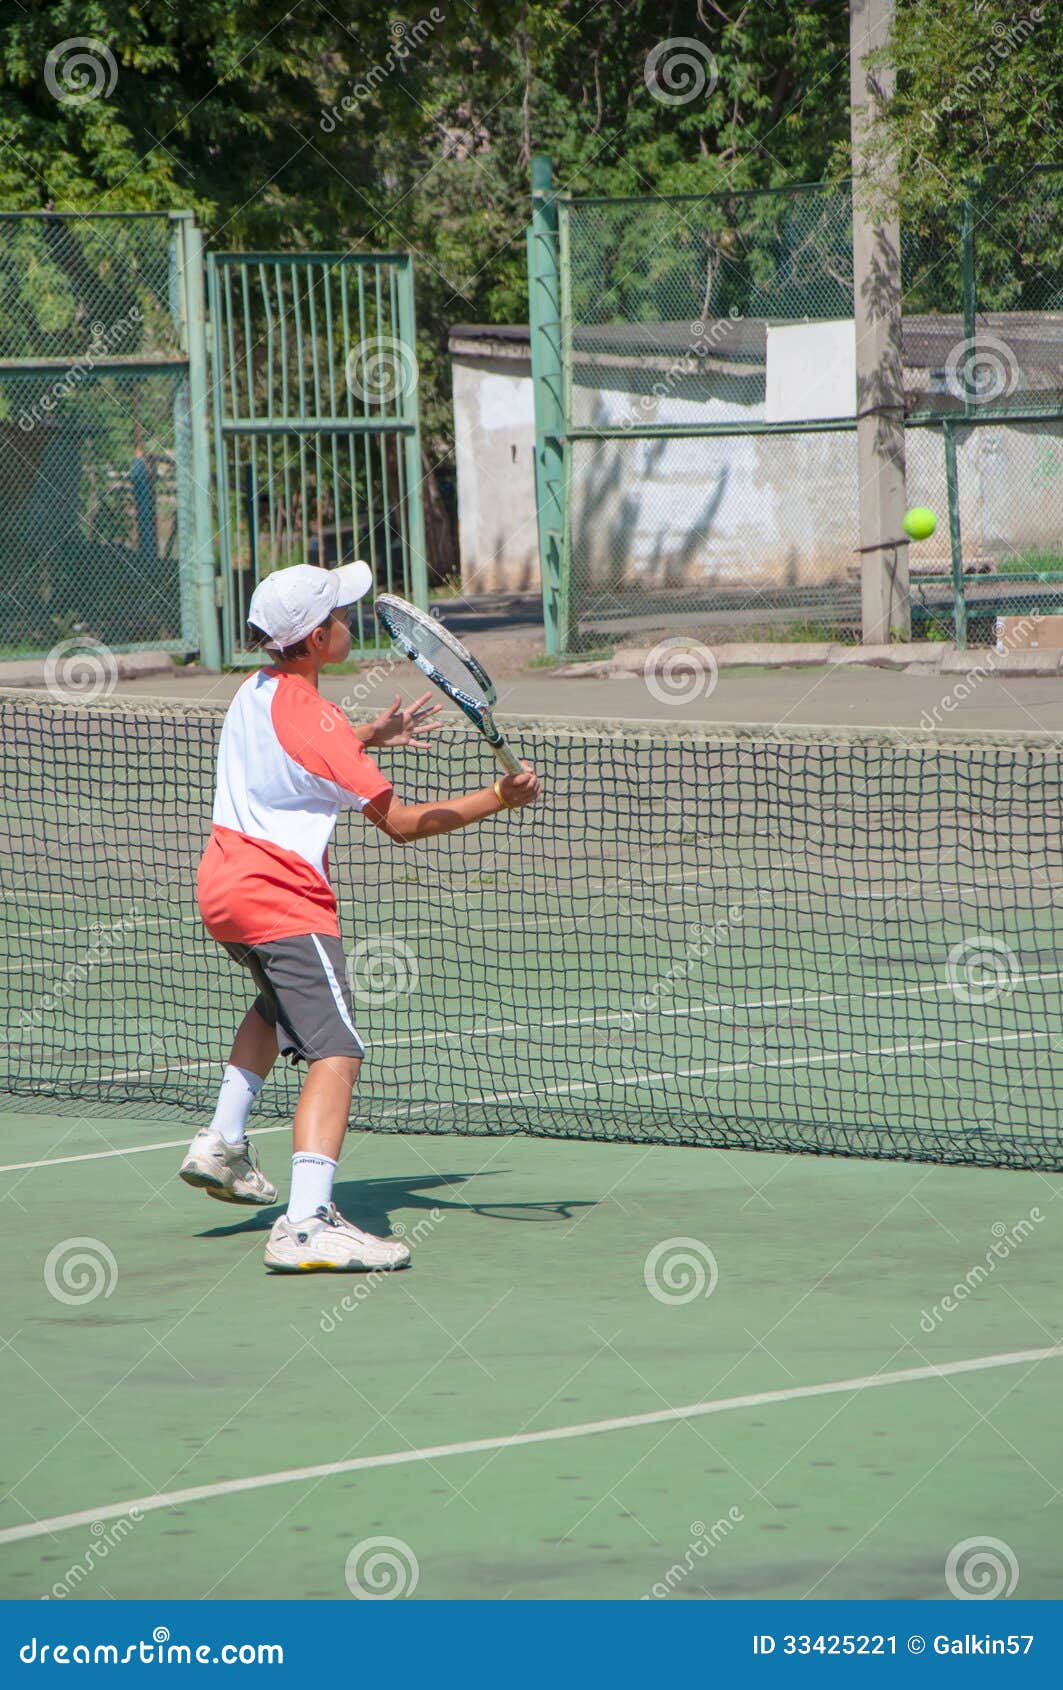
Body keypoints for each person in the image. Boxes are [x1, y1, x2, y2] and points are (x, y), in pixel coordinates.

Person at [178, 562, 540, 1273]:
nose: (349, 621)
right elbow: (401, 824)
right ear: (317, 638)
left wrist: (367, 735)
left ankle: (222, 1141)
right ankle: (307, 1224)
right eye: (342, 614)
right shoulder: (316, 719)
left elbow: (304, 751)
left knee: (273, 1006)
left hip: (221, 891)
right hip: (280, 899)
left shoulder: (254, 693)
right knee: (336, 1053)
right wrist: (498, 796)